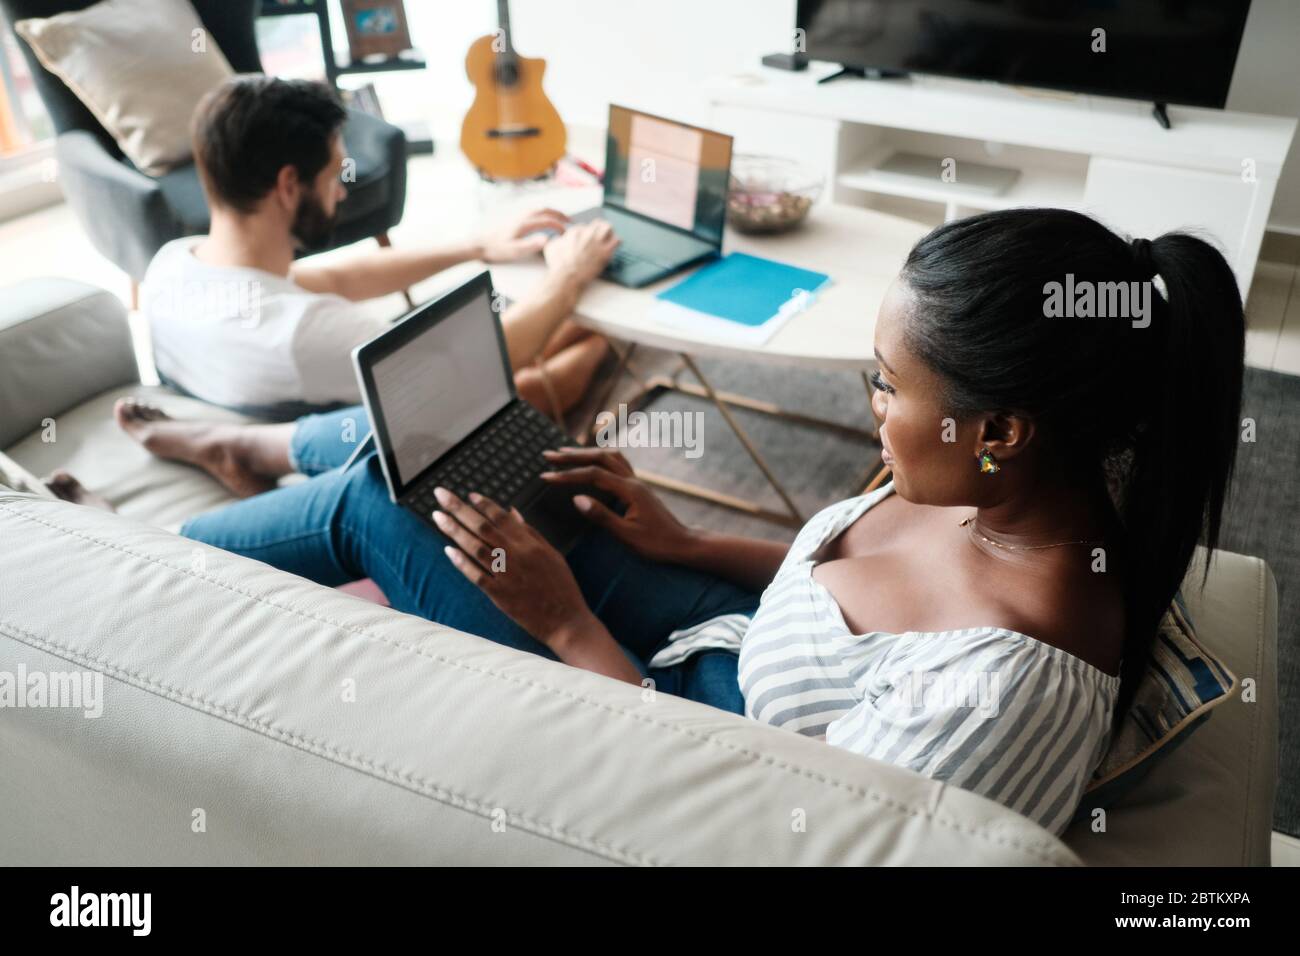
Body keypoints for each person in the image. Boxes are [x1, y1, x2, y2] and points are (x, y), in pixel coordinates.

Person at [50, 207, 1246, 837]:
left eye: (888, 386)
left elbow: (752, 828)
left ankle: (134, 550)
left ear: (1002, 427)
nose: (865, 405)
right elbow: (866, 588)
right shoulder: (1001, 486)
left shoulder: (1002, 692)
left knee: (390, 498)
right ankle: (257, 445)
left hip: (672, 715)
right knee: (472, 447)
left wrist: (567, 627)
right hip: (718, 628)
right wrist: (680, 541)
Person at [144, 75, 615, 421]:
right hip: (382, 435)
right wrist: (569, 276)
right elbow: (487, 361)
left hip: (300, 397)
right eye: (335, 177)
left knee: (550, 320)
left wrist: (477, 246)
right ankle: (606, 344)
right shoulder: (306, 334)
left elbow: (337, 279)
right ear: (289, 185)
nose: (343, 192)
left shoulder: (173, 266)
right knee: (531, 379)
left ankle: (595, 336)